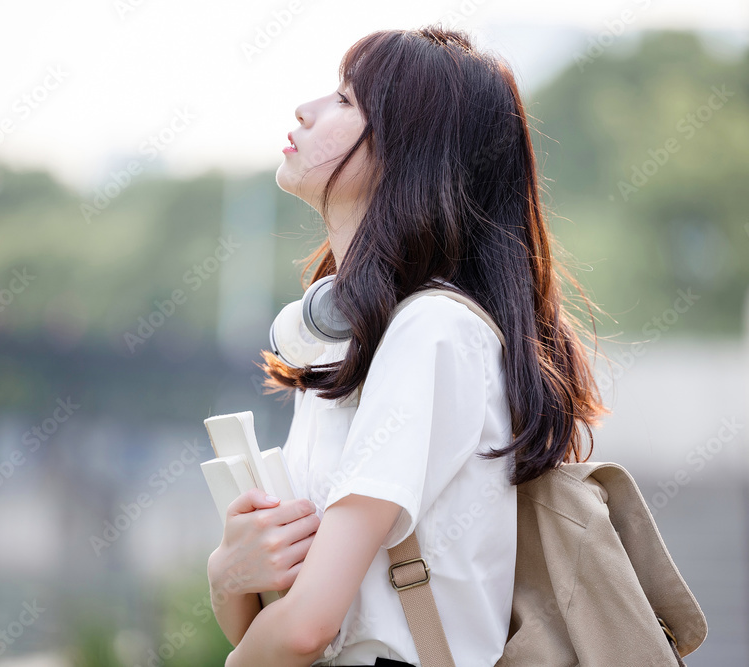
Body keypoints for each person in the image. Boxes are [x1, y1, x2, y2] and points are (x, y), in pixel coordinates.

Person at [207, 24, 607, 667]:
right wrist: (229, 573)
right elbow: (294, 626)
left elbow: (308, 628)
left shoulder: (434, 333)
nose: (306, 109)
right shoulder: (366, 340)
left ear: (408, 150)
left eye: (345, 100)